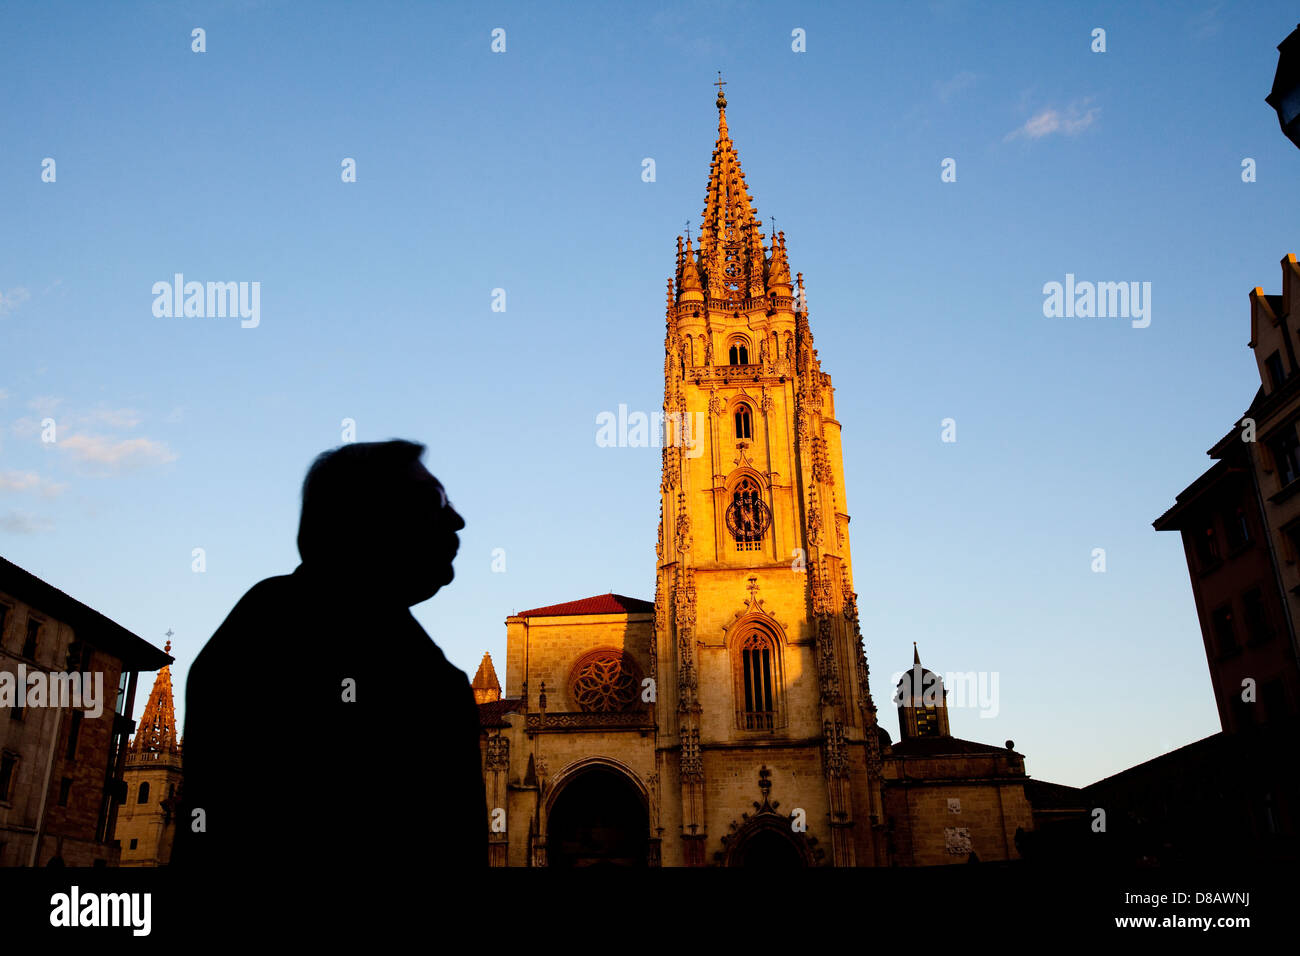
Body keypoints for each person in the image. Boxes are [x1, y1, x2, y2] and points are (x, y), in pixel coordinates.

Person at [172, 440, 485, 885]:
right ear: (367, 516)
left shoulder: (270, 620)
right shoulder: (281, 632)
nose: (457, 519)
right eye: (435, 500)